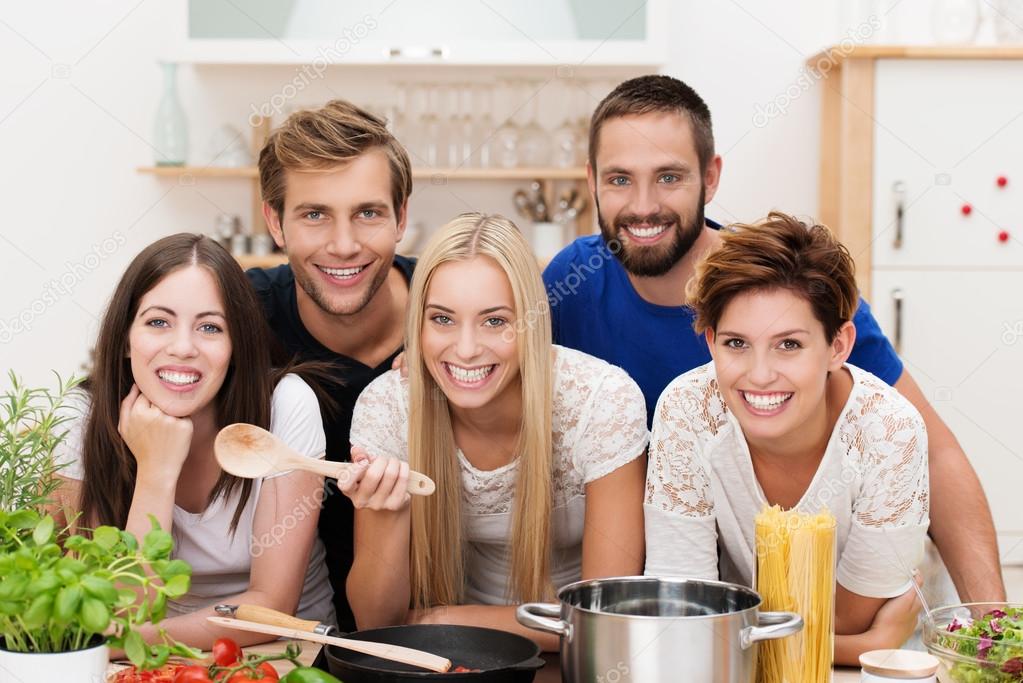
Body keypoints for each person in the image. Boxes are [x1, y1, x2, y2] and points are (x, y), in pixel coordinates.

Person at [542, 74, 1003, 603]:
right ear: (591, 180)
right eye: (620, 179)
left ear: (710, 177)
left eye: (669, 177)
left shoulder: (787, 293)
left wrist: (994, 627)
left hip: (789, 592)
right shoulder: (570, 284)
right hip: (663, 589)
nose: (643, 205)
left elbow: (933, 455)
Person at [340, 213, 647, 650]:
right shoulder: (388, 408)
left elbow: (603, 621)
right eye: (442, 319)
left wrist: (439, 621)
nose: (466, 349)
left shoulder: (601, 402)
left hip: (576, 663)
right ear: (417, 325)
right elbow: (376, 624)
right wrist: (389, 512)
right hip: (457, 661)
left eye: (495, 321)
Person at [645, 212, 929, 664]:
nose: (760, 375)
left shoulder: (890, 431)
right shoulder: (687, 410)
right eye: (737, 343)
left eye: (789, 345)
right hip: (748, 664)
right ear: (711, 341)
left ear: (838, 346)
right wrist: (866, 645)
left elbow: (847, 619)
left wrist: (860, 643)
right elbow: (684, 618)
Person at [52, 233, 334, 649]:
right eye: (158, 322)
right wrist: (156, 471)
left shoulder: (285, 404)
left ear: (235, 345)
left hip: (286, 651)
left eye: (210, 327)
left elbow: (271, 604)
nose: (183, 347)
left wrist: (132, 640)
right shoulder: (82, 417)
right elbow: (120, 608)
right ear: (126, 338)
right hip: (143, 656)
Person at [248, 100, 414, 631]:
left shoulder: (457, 323)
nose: (344, 246)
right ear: (275, 222)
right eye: (315, 214)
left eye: (368, 213)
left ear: (401, 217)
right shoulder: (240, 319)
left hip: (429, 630)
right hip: (287, 634)